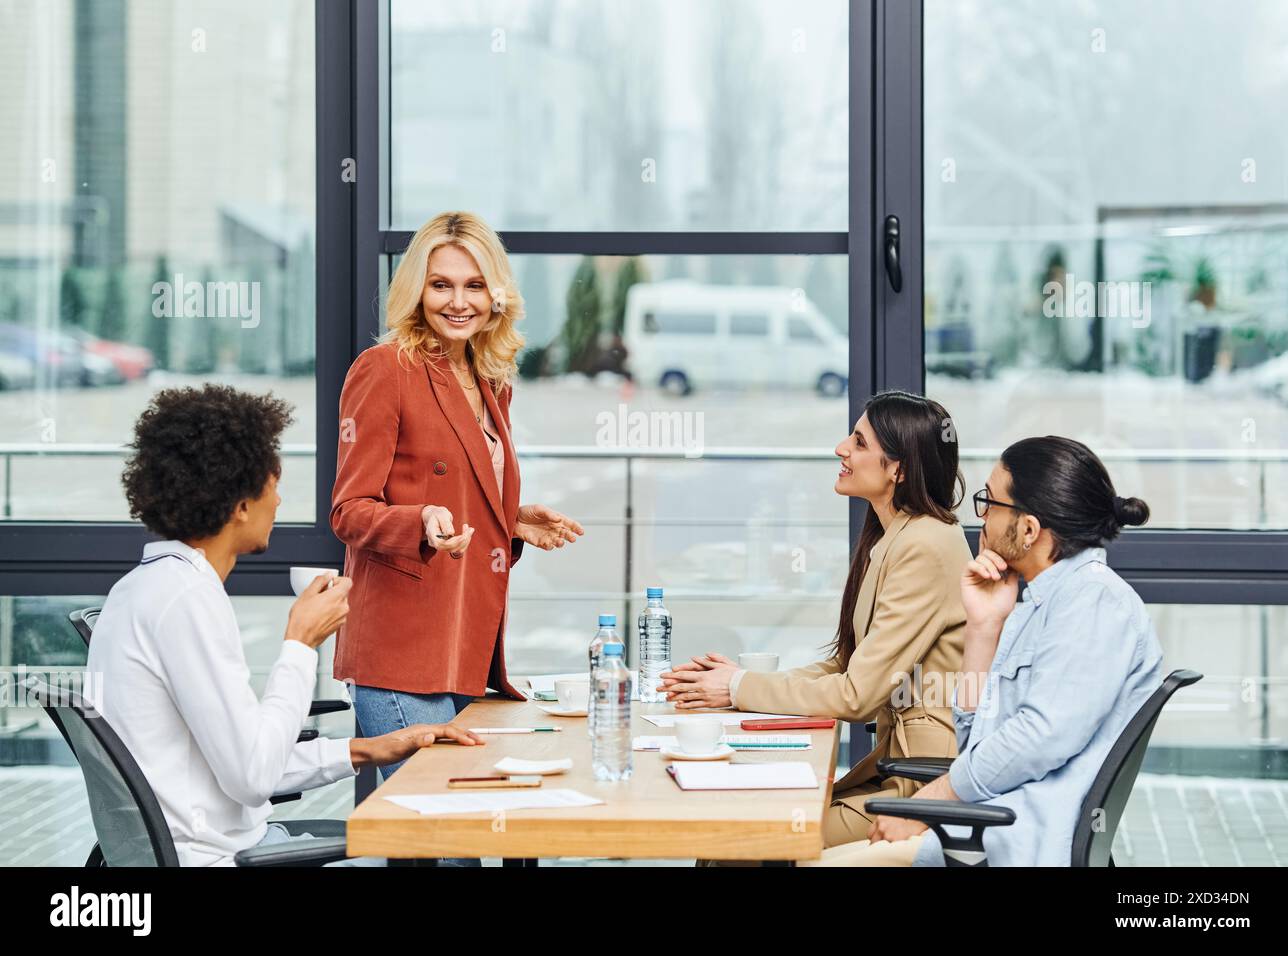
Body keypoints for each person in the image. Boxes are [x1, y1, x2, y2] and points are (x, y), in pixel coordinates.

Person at [88, 385, 484, 867]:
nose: (279, 502)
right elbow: (253, 775)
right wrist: (301, 644)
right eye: (272, 486)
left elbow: (247, 761)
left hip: (225, 845)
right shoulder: (185, 601)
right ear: (239, 506)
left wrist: (369, 749)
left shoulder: (147, 587)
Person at [809, 436, 1164, 866]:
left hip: (1011, 840)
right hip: (978, 824)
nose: (981, 517)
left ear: (1029, 529)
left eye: (990, 503)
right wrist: (983, 625)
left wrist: (930, 804)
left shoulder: (1094, 603)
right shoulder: (1039, 602)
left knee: (803, 860)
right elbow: (974, 739)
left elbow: (1038, 737)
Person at [331, 210, 582, 777]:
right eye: (441, 284)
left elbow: (454, 490)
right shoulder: (385, 369)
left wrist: (511, 520)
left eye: (474, 285)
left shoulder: (491, 381)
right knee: (449, 845)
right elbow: (349, 512)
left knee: (457, 834)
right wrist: (419, 521)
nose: (458, 302)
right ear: (417, 289)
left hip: (465, 649)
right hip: (401, 654)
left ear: (496, 294)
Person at [659, 390, 970, 848]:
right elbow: (849, 665)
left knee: (741, 839)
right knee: (731, 830)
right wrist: (737, 685)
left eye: (860, 443)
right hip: (896, 772)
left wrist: (738, 686)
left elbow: (857, 694)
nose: (842, 448)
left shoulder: (925, 545)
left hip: (918, 790)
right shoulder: (897, 536)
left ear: (898, 469)